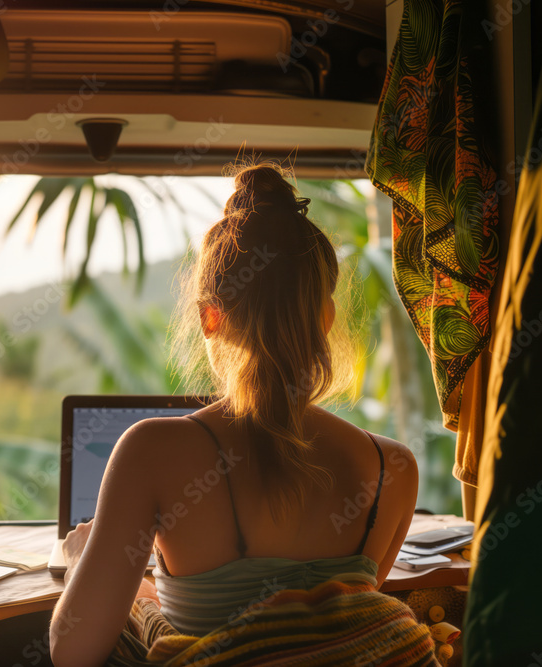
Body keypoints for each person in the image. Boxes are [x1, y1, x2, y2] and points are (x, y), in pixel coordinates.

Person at [49, 163, 419, 667]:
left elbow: (73, 652)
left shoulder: (151, 451)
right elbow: (318, 638)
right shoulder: (393, 468)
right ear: (327, 317)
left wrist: (82, 565)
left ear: (209, 316)